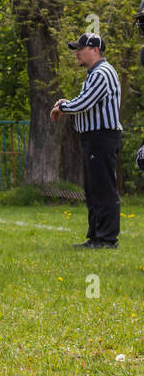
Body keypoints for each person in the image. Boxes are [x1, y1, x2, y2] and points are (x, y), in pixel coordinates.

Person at [51, 32, 122, 249]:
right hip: (94, 139)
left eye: (80, 49)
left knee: (103, 189)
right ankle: (96, 237)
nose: (77, 54)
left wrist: (63, 107)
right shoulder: (95, 74)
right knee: (93, 190)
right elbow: (86, 101)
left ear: (95, 50)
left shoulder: (102, 73)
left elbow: (85, 103)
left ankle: (107, 239)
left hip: (101, 138)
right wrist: (67, 102)